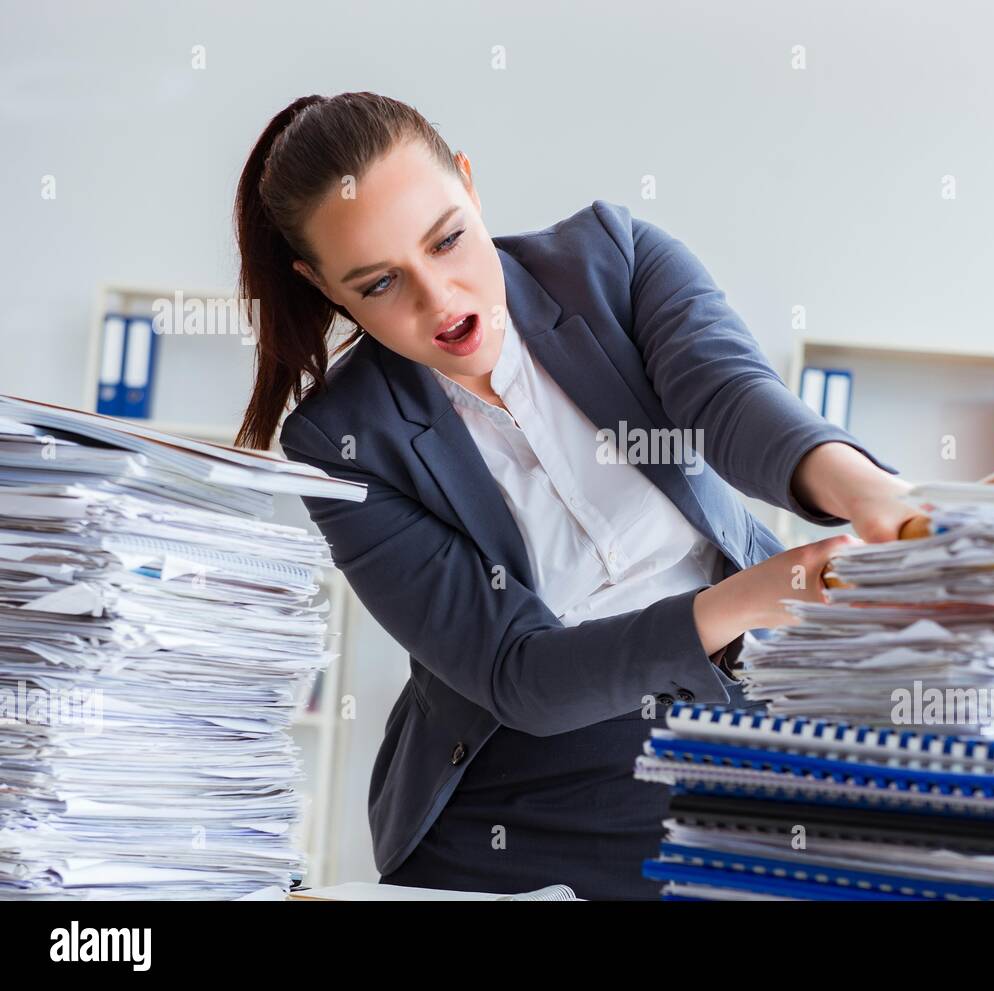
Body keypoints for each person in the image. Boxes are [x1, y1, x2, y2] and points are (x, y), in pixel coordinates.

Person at [233, 91, 921, 899]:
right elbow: (521, 674)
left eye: (449, 238)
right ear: (324, 286)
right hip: (536, 777)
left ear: (469, 183)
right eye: (381, 282)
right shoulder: (340, 440)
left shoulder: (614, 260)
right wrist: (756, 596)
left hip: (743, 696)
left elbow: (727, 396)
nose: (440, 299)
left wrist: (873, 493)